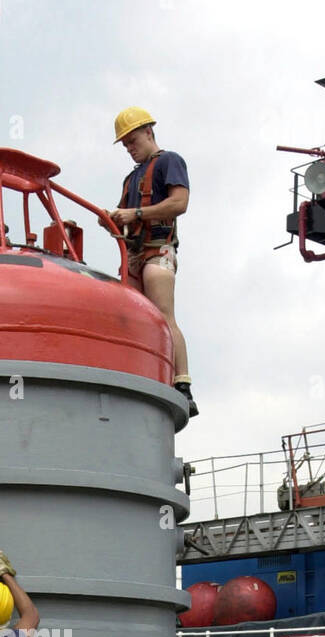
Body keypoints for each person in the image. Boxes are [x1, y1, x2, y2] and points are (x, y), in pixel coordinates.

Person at [108, 105, 197, 417]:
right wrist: (111, 220)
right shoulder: (131, 178)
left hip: (158, 249)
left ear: (149, 132)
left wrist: (136, 214)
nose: (130, 149)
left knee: (162, 314)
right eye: (126, 145)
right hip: (134, 252)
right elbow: (124, 218)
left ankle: (183, 383)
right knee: (127, 315)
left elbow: (180, 202)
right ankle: (139, 369)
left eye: (133, 141)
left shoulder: (169, 161)